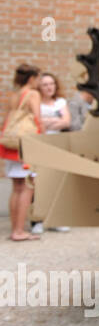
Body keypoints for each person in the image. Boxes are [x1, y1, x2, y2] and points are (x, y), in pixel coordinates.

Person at [2, 64, 42, 241]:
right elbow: (38, 119)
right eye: (39, 78)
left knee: (16, 188)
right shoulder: (33, 94)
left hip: (11, 144)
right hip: (26, 145)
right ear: (32, 78)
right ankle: (19, 231)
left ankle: (14, 229)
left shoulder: (14, 95)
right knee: (27, 187)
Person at [33, 73, 72, 232]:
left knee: (55, 181)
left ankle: (55, 219)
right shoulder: (36, 103)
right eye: (45, 84)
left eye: (51, 84)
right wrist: (55, 122)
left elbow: (66, 122)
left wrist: (46, 122)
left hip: (56, 145)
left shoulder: (60, 102)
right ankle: (37, 220)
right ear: (39, 87)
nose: (49, 87)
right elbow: (36, 123)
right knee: (38, 183)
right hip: (40, 144)